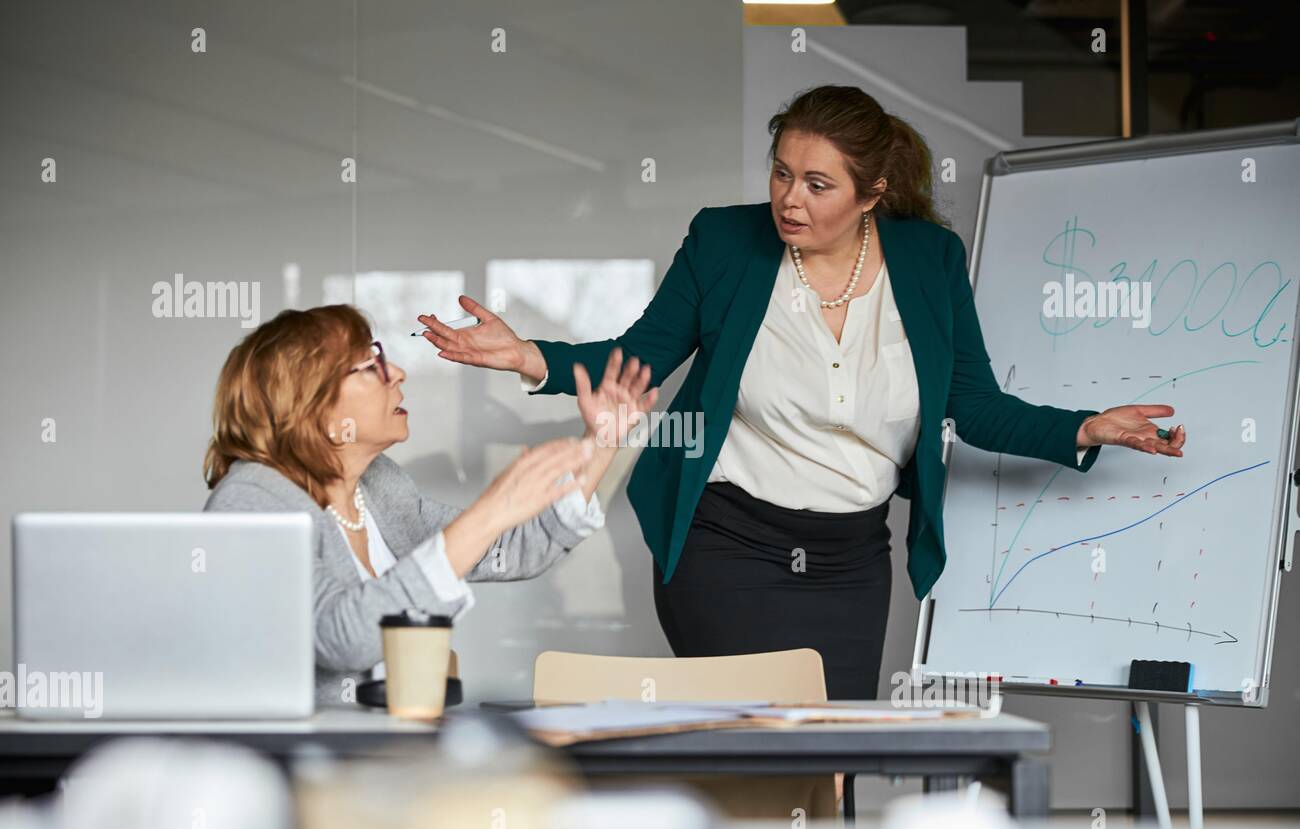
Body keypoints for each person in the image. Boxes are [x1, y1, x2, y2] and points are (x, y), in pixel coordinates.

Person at [415, 85, 1187, 699]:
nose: (790, 198)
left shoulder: (930, 262)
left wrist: (1084, 428)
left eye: (818, 184)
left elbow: (971, 403)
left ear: (872, 192)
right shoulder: (725, 242)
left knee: (833, 762)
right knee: (749, 751)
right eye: (782, 173)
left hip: (852, 561)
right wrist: (528, 356)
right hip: (726, 546)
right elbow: (639, 358)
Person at [202, 304, 656, 705]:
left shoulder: (378, 486)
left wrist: (601, 442)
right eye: (370, 364)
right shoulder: (253, 500)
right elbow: (342, 640)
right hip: (296, 767)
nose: (397, 372)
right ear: (314, 406)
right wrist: (491, 509)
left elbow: (514, 549)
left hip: (381, 754)